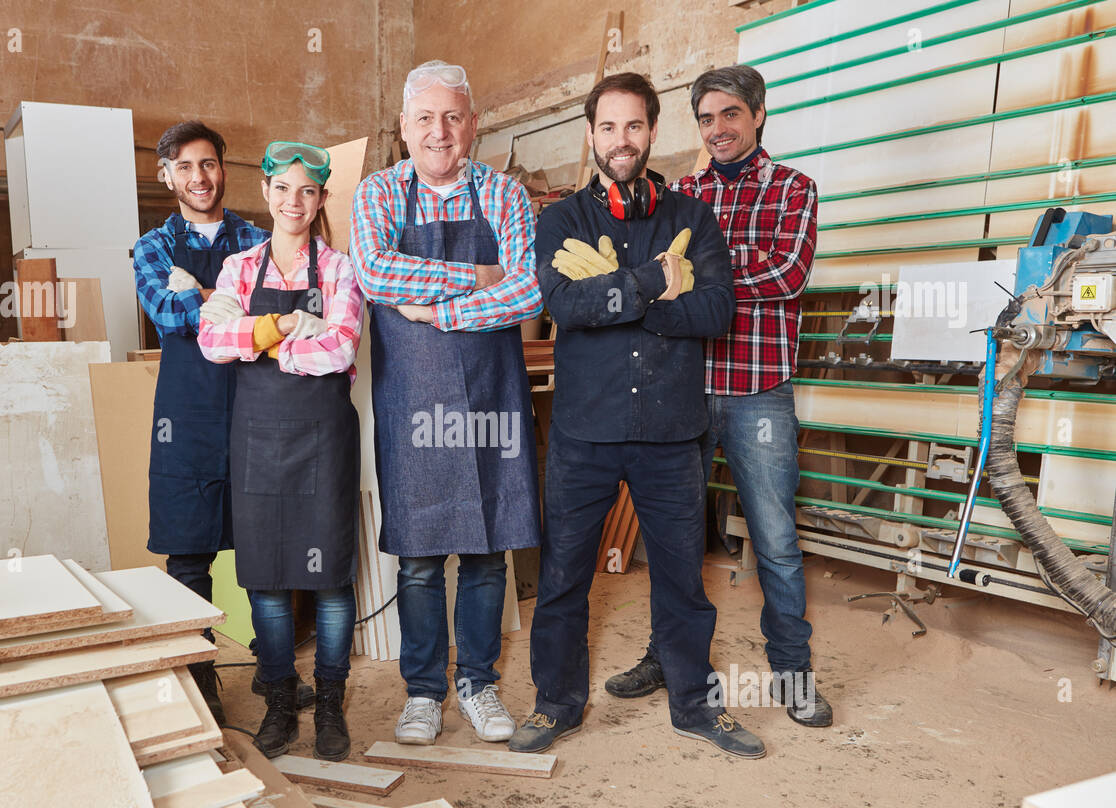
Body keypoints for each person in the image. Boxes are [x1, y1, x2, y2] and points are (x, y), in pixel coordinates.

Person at [512, 71, 764, 759]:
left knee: (684, 581)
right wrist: (654, 281)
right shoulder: (561, 220)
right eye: (607, 127)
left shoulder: (692, 219)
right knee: (564, 578)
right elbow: (563, 307)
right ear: (590, 135)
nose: (620, 140)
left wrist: (618, 297)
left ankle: (694, 707)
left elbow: (717, 311)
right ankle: (556, 705)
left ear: (653, 133)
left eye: (633, 126)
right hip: (583, 436)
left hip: (672, 436)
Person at [605, 65, 831, 729]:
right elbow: (647, 274)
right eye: (705, 118)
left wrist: (696, 272)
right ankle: (665, 657)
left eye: (729, 114)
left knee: (777, 540)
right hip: (684, 389)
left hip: (759, 390)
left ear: (757, 115)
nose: (717, 129)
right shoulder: (680, 194)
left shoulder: (794, 188)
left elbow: (788, 273)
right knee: (672, 536)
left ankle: (793, 675)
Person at [350, 60, 544, 746]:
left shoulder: (504, 194)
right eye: (425, 118)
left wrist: (438, 313)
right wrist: (476, 277)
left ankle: (480, 684)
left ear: (473, 124)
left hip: (491, 394)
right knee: (422, 557)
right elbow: (375, 271)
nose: (440, 131)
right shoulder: (377, 193)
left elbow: (528, 291)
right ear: (404, 128)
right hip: (413, 399)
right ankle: (425, 691)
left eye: (453, 116)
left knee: (489, 550)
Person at [197, 142, 365, 760]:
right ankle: (278, 700)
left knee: (330, 580)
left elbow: (342, 348)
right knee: (264, 578)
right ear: (266, 191)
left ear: (320, 199)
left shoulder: (341, 270)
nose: (294, 202)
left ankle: (328, 702)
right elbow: (212, 339)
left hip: (323, 440)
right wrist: (287, 327)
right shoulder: (240, 267)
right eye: (283, 188)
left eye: (308, 191)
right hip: (257, 441)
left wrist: (261, 341)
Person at [132, 120, 272, 725]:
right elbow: (169, 312)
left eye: (209, 164)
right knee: (189, 555)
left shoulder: (260, 236)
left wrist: (209, 294)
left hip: (258, 406)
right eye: (185, 167)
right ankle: (200, 677)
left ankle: (277, 672)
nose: (199, 177)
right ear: (167, 176)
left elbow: (281, 307)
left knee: (268, 547)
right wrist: (236, 304)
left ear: (224, 168)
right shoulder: (151, 247)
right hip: (186, 416)